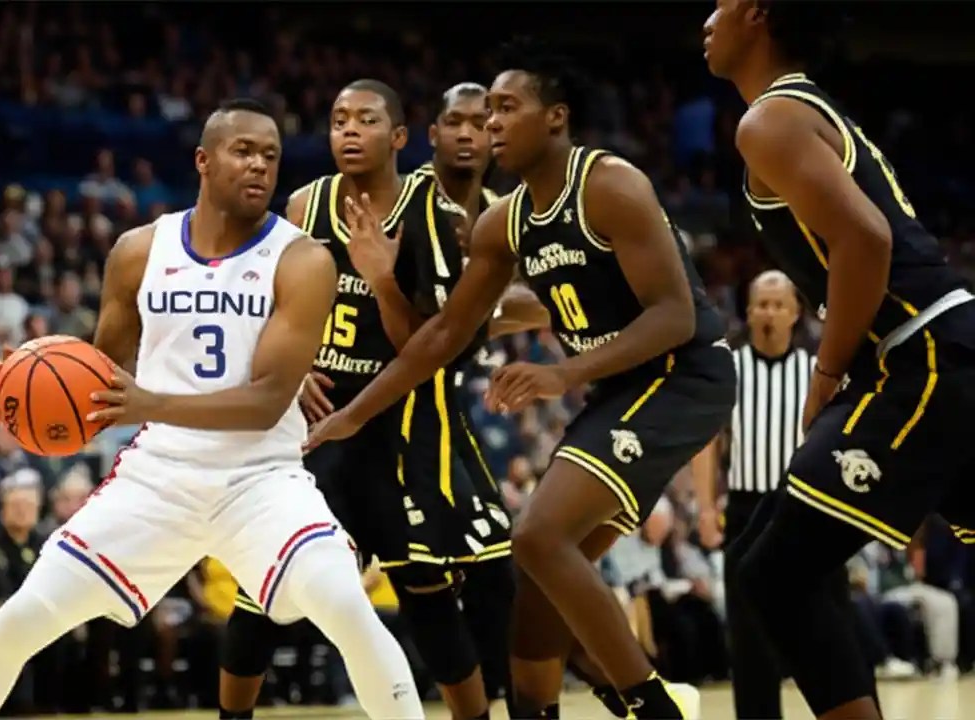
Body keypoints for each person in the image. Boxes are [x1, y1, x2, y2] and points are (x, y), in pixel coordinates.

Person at [0, 98, 423, 720]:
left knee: (348, 607)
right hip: (158, 477)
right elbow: (99, 381)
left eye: (270, 156)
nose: (259, 166)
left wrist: (150, 401)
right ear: (203, 160)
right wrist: (30, 369)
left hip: (260, 480)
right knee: (22, 618)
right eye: (243, 151)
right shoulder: (139, 250)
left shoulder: (303, 260)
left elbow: (268, 401)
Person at [308, 36, 736, 719]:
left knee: (536, 537)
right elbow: (444, 334)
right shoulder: (502, 223)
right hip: (617, 388)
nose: (492, 123)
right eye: (482, 113)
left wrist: (561, 372)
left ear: (557, 117)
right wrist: (355, 411)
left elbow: (675, 318)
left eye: (507, 108)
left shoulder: (612, 185)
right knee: (538, 573)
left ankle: (653, 704)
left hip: (685, 376)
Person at [704, 2, 975, 718]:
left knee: (773, 573)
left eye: (721, 4)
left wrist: (826, 372)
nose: (706, 18)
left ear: (759, 14)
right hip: (946, 349)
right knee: (770, 561)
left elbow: (867, 242)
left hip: (922, 352)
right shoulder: (804, 111)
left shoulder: (770, 119)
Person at [217, 80, 512, 720]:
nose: (349, 130)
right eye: (338, 118)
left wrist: (380, 277)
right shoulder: (303, 205)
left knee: (428, 596)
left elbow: (433, 343)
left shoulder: (433, 211)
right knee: (262, 590)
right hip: (316, 428)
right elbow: (261, 310)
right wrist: (292, 375)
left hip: (402, 428)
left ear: (399, 137)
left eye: (366, 120)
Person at [691, 269, 814, 718]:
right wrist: (705, 507)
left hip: (803, 510)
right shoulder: (731, 369)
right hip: (745, 509)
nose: (769, 312)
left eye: (779, 305)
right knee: (749, 638)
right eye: (761, 304)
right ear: (747, 312)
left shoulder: (816, 370)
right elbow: (708, 440)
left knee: (825, 625)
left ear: (796, 313)